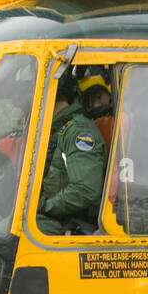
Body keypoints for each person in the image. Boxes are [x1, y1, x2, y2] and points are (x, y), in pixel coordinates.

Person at [38, 73, 106, 235]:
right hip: (55, 216)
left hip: (71, 220)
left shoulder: (77, 131)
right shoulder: (52, 131)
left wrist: (46, 206)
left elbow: (85, 189)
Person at [78, 72, 115, 148]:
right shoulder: (85, 124)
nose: (94, 105)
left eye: (98, 96)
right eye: (90, 101)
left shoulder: (114, 120)